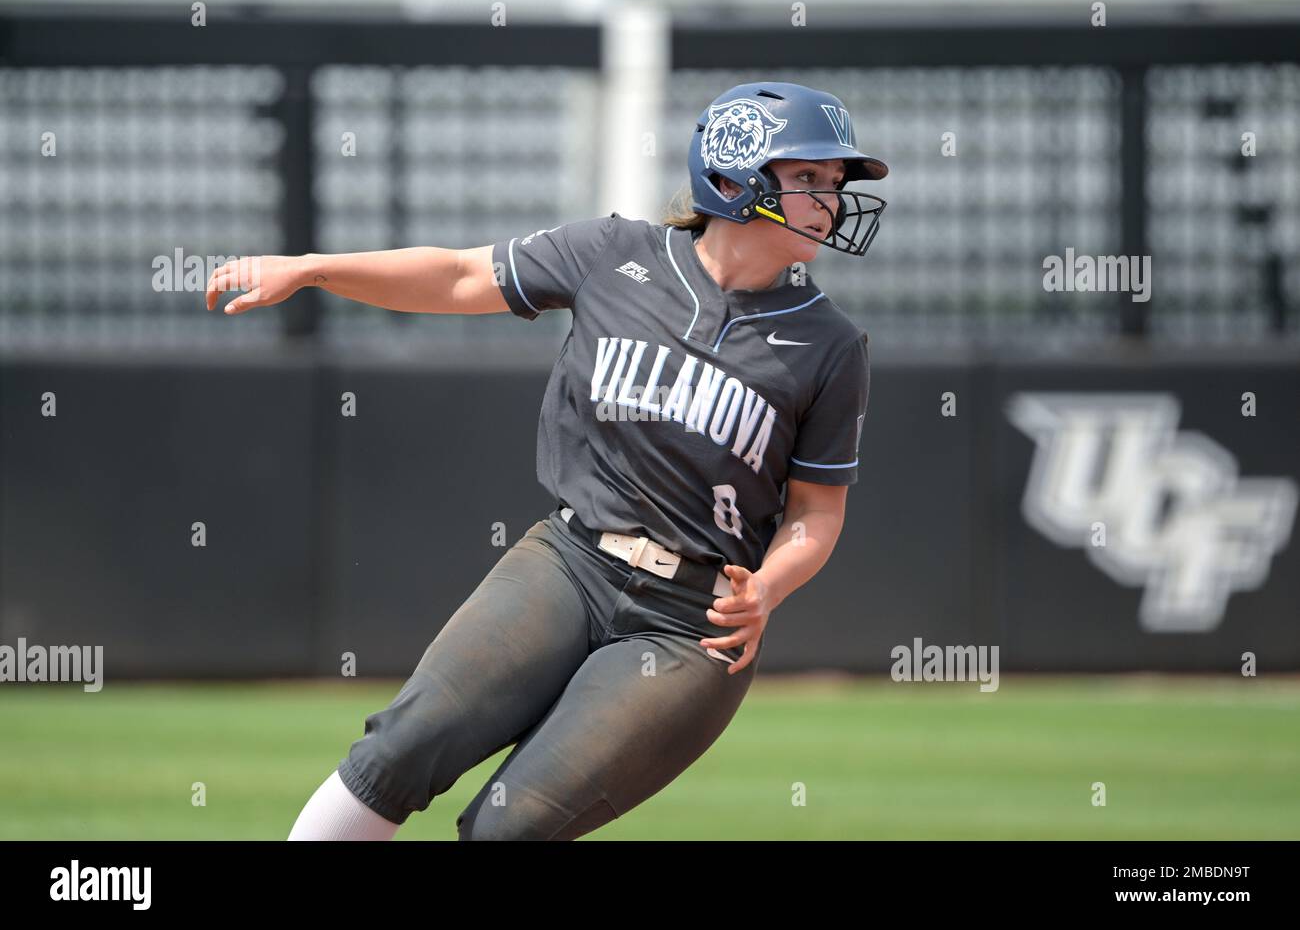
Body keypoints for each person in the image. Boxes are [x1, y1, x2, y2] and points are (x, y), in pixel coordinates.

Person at [205, 81, 888, 840]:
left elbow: (816, 514)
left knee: (508, 826)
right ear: (731, 177)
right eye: (807, 179)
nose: (829, 200)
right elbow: (460, 276)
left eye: (834, 183)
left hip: (692, 626)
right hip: (569, 562)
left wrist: (768, 587)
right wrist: (314, 268)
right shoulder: (614, 253)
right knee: (400, 749)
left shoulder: (830, 345)